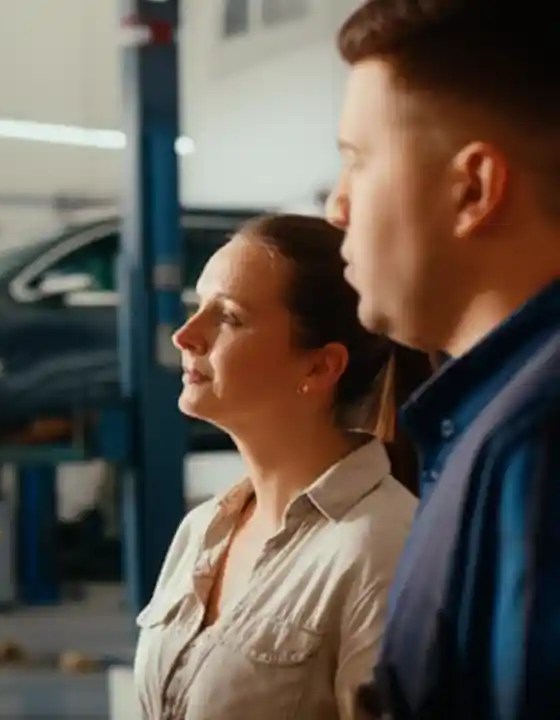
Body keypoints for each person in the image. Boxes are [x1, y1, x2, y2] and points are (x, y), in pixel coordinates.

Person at [326, 2, 560, 717]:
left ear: (473, 189)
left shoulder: (534, 450)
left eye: (357, 163)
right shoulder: (486, 424)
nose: (336, 206)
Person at [132, 214, 432, 719]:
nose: (185, 335)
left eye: (227, 317)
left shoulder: (382, 546)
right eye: (196, 305)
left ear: (319, 367)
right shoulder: (202, 529)